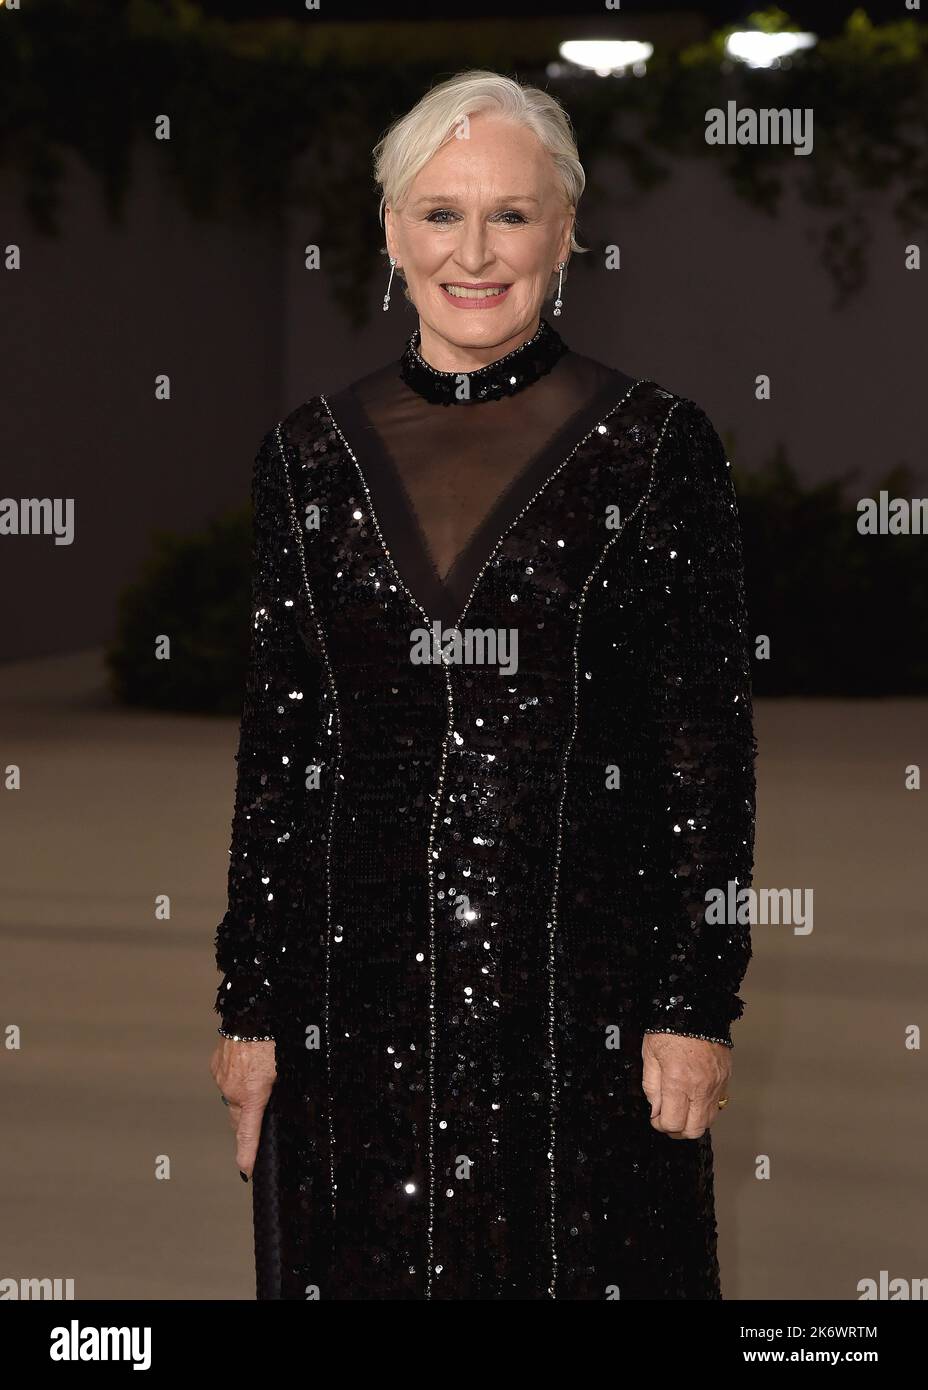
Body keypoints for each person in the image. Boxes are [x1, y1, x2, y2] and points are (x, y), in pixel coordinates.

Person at [208, 69, 757, 1300]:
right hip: (352, 1006)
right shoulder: (307, 456)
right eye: (440, 212)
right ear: (391, 230)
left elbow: (703, 750)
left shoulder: (659, 445)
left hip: (584, 1005)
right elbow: (279, 749)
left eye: (509, 214)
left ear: (566, 233)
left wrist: (692, 1002)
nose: (474, 251)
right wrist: (251, 1008)